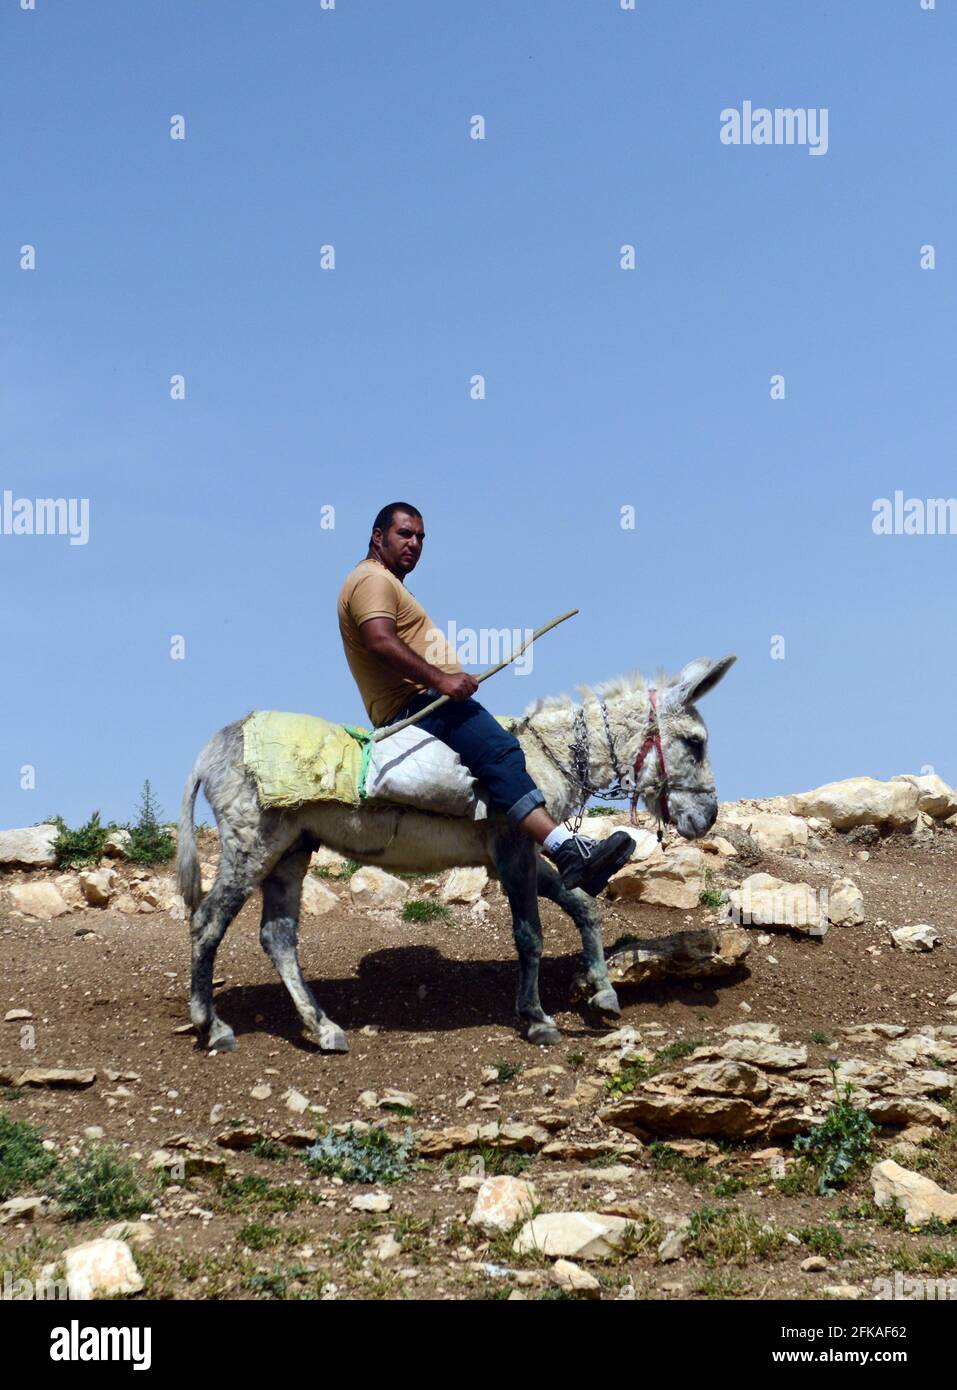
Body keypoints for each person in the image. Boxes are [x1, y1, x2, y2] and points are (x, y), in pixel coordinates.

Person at [337, 502, 636, 895]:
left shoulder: (383, 581)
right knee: (501, 752)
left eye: (421, 537)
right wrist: (442, 680)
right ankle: (566, 852)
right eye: (404, 534)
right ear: (378, 536)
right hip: (418, 705)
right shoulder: (371, 580)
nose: (415, 543)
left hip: (421, 700)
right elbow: (380, 640)